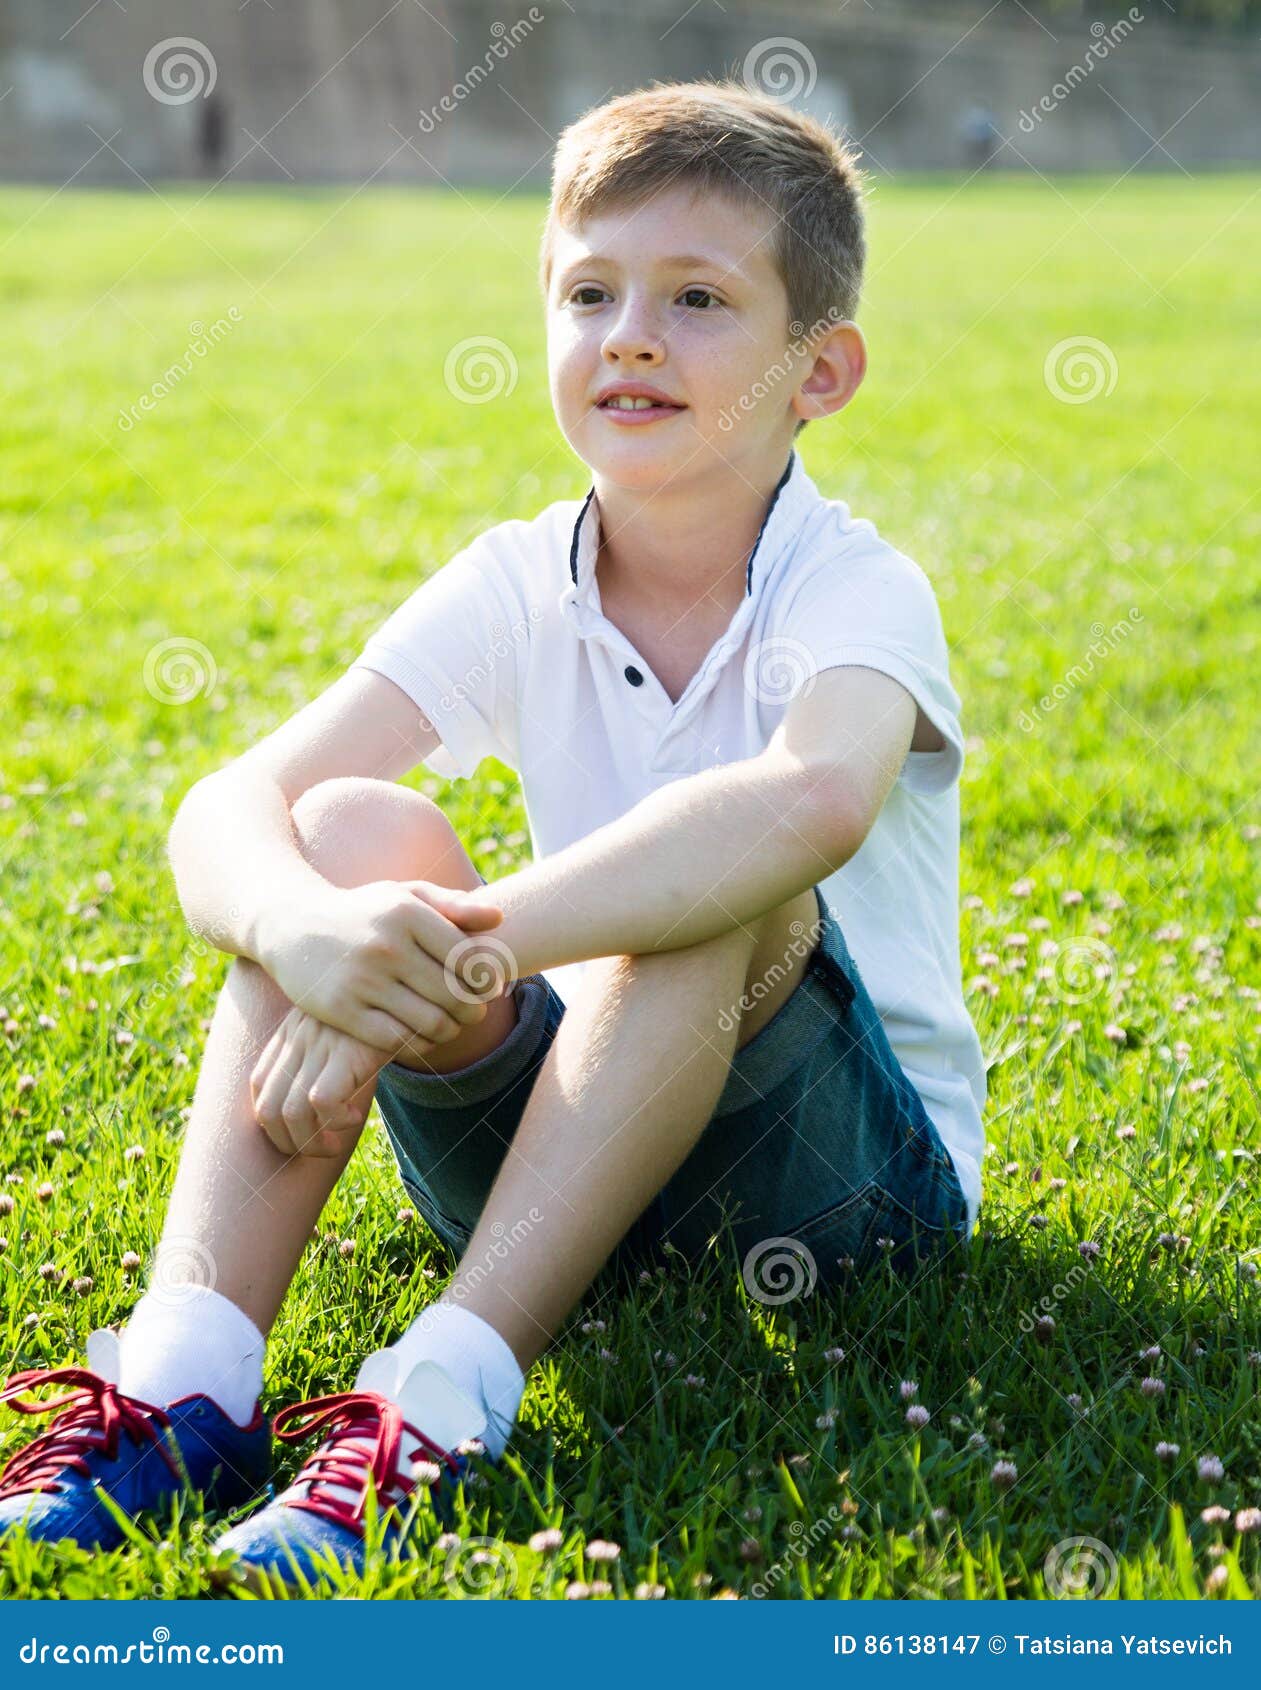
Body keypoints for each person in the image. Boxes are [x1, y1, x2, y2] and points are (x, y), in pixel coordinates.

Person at [0, 79, 986, 1590]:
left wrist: (471, 937)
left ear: (819, 369)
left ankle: (434, 1402)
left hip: (841, 1192)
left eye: (699, 299)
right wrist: (315, 933)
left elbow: (807, 804)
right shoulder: (520, 575)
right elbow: (227, 809)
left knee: (712, 879)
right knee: (341, 824)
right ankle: (187, 1375)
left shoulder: (853, 589)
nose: (630, 335)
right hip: (565, 1136)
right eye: (588, 291)